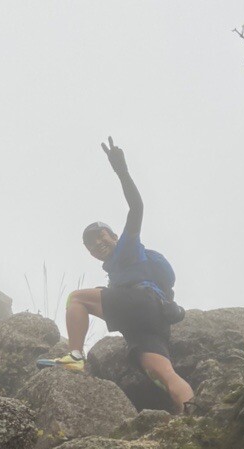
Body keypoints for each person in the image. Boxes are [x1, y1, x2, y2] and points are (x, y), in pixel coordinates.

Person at [42, 137, 195, 415]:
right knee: (163, 373)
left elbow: (136, 208)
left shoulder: (128, 248)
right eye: (91, 244)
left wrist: (122, 171)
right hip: (153, 325)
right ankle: (192, 415)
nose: (97, 243)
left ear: (114, 236)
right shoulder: (119, 272)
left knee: (77, 298)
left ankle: (75, 356)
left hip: (142, 303)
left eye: (101, 236)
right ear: (90, 253)